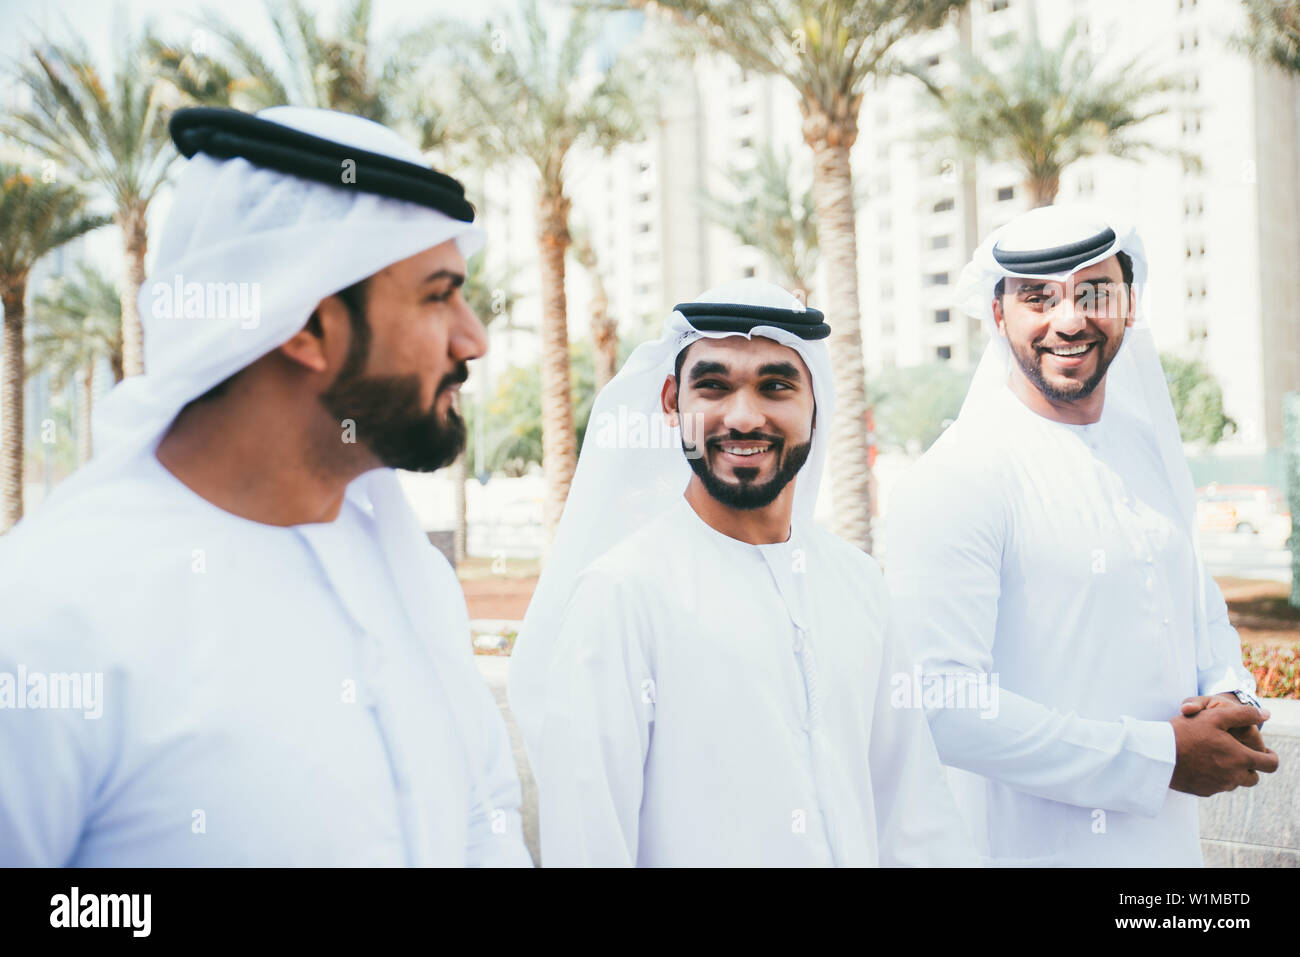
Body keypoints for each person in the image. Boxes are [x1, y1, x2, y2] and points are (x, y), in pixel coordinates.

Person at [0, 106, 531, 866]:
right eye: (438, 294)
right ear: (305, 324)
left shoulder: (408, 573)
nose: (473, 338)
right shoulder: (48, 620)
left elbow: (485, 820)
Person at [508, 280, 976, 867]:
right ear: (672, 404)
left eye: (775, 386)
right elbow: (589, 841)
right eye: (713, 386)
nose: (744, 415)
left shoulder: (857, 583)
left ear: (815, 404)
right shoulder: (622, 594)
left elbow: (913, 816)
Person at [885, 204, 1278, 867]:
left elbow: (1197, 605)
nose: (1070, 319)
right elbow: (942, 704)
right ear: (997, 314)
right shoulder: (960, 476)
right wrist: (1158, 758)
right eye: (1039, 297)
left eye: (1095, 293)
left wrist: (1232, 693)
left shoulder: (1144, 448)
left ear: (1129, 304)